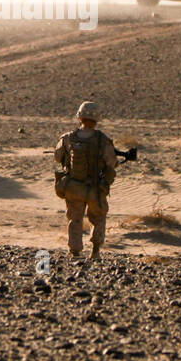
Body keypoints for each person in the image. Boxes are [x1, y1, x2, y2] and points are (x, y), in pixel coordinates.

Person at [54, 101, 119, 261]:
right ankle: (95, 251)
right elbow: (112, 163)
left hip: (74, 187)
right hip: (95, 188)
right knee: (98, 218)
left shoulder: (68, 138)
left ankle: (75, 252)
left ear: (79, 116)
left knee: (74, 219)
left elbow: (57, 157)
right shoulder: (103, 140)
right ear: (97, 119)